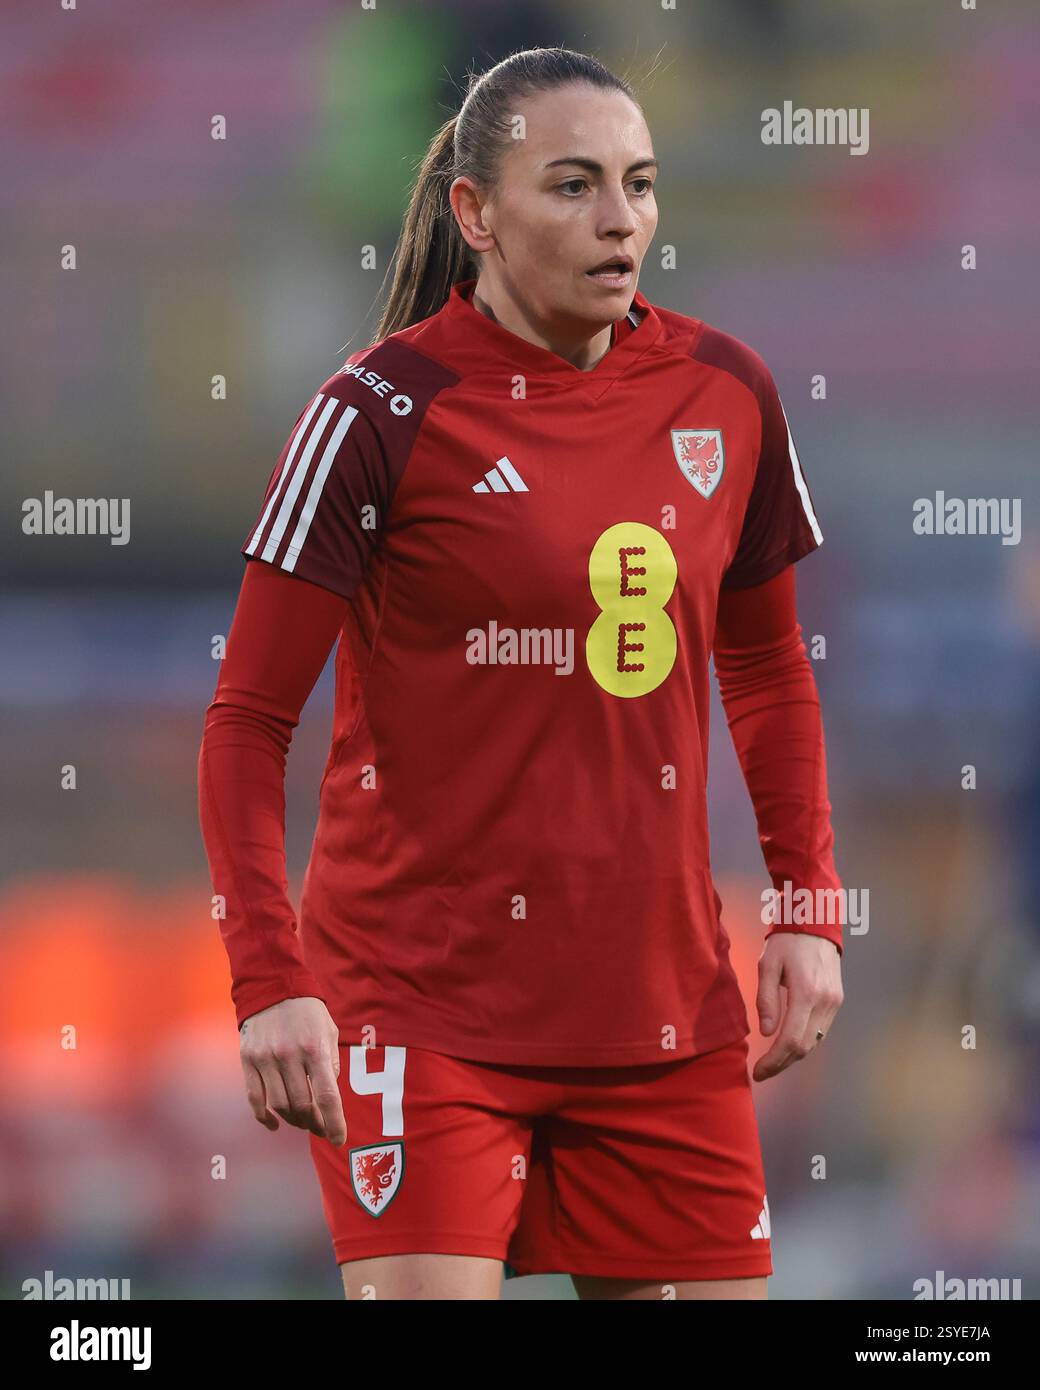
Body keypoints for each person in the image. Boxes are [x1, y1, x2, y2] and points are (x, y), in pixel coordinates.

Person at [198, 46, 844, 1301]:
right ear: (475, 214)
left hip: (658, 1014)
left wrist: (807, 903)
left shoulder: (727, 394)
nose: (620, 220)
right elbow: (244, 721)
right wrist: (270, 982)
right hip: (420, 1013)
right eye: (573, 186)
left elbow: (765, 666)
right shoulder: (373, 416)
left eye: (639, 184)